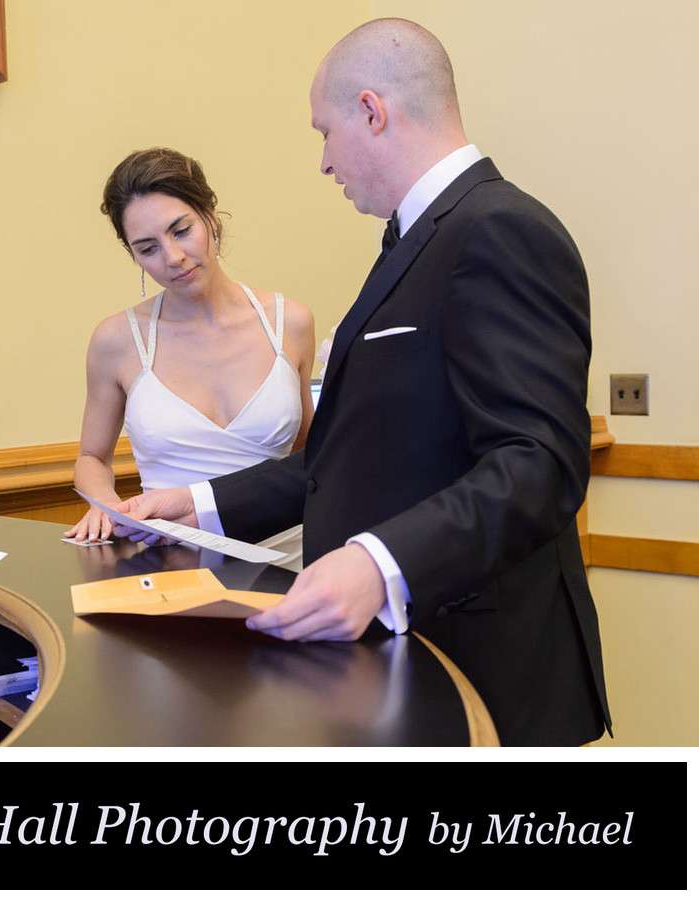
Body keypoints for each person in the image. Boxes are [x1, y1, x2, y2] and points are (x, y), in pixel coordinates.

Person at [117, 19, 610, 746]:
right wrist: (200, 503)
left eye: (325, 132)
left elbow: (538, 463)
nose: (324, 161)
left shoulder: (499, 229)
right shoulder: (414, 241)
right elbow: (352, 457)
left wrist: (381, 565)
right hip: (409, 665)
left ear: (372, 112)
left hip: (492, 671)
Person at [65, 147, 316, 570]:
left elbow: (309, 448)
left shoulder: (290, 322)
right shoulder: (117, 340)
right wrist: (107, 506)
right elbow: (91, 457)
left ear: (210, 217)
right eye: (147, 249)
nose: (172, 258)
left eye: (181, 231)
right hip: (171, 562)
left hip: (288, 560)